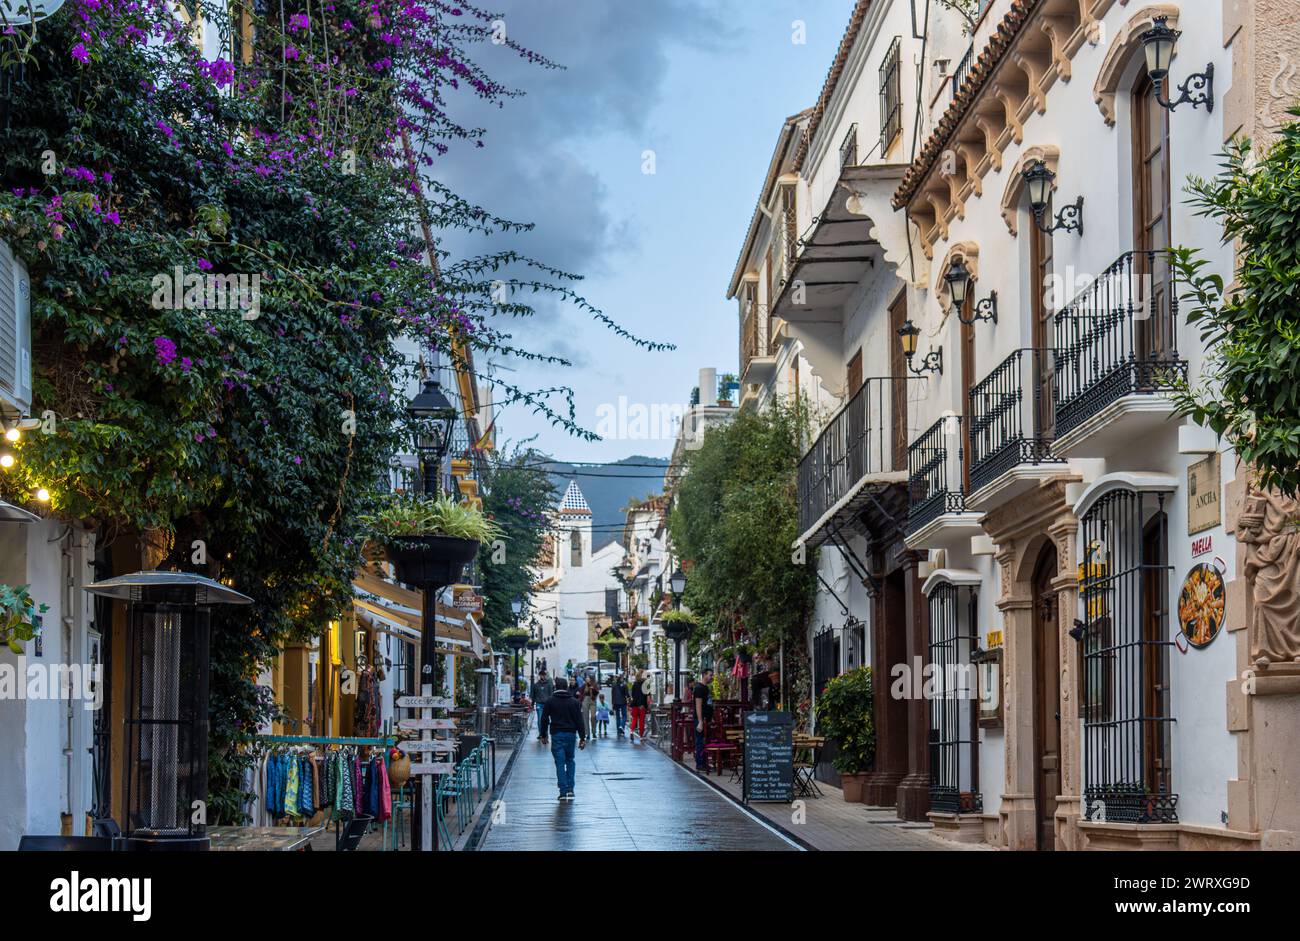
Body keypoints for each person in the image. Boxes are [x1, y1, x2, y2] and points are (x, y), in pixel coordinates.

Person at [538, 677, 587, 800]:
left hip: (557, 734)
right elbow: (580, 721)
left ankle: (563, 791)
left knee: (559, 763)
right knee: (570, 760)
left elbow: (544, 719)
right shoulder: (574, 702)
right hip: (571, 735)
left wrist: (543, 735)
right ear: (565, 687)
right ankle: (570, 788)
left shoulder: (550, 701)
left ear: (556, 687)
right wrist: (582, 737)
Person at [693, 668, 714, 771]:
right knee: (700, 741)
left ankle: (705, 763)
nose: (712, 677)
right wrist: (700, 721)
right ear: (704, 675)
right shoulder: (699, 688)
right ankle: (700, 763)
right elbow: (698, 705)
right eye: (710, 675)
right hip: (701, 719)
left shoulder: (706, 688)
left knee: (705, 741)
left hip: (706, 719)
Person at [531, 671, 554, 739]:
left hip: (547, 704)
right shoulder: (536, 685)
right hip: (539, 704)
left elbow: (551, 694)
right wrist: (532, 704)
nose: (542, 677)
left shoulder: (549, 684)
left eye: (543, 675)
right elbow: (533, 695)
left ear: (545, 676)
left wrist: (551, 704)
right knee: (540, 719)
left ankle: (545, 733)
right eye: (541, 675)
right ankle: (541, 733)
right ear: (539, 676)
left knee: (546, 720)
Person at [629, 669, 649, 743]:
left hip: (635, 704)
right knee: (641, 721)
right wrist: (645, 704)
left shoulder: (634, 684)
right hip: (642, 705)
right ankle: (641, 736)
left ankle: (631, 731)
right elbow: (646, 695)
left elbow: (633, 695)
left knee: (634, 718)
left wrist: (636, 702)